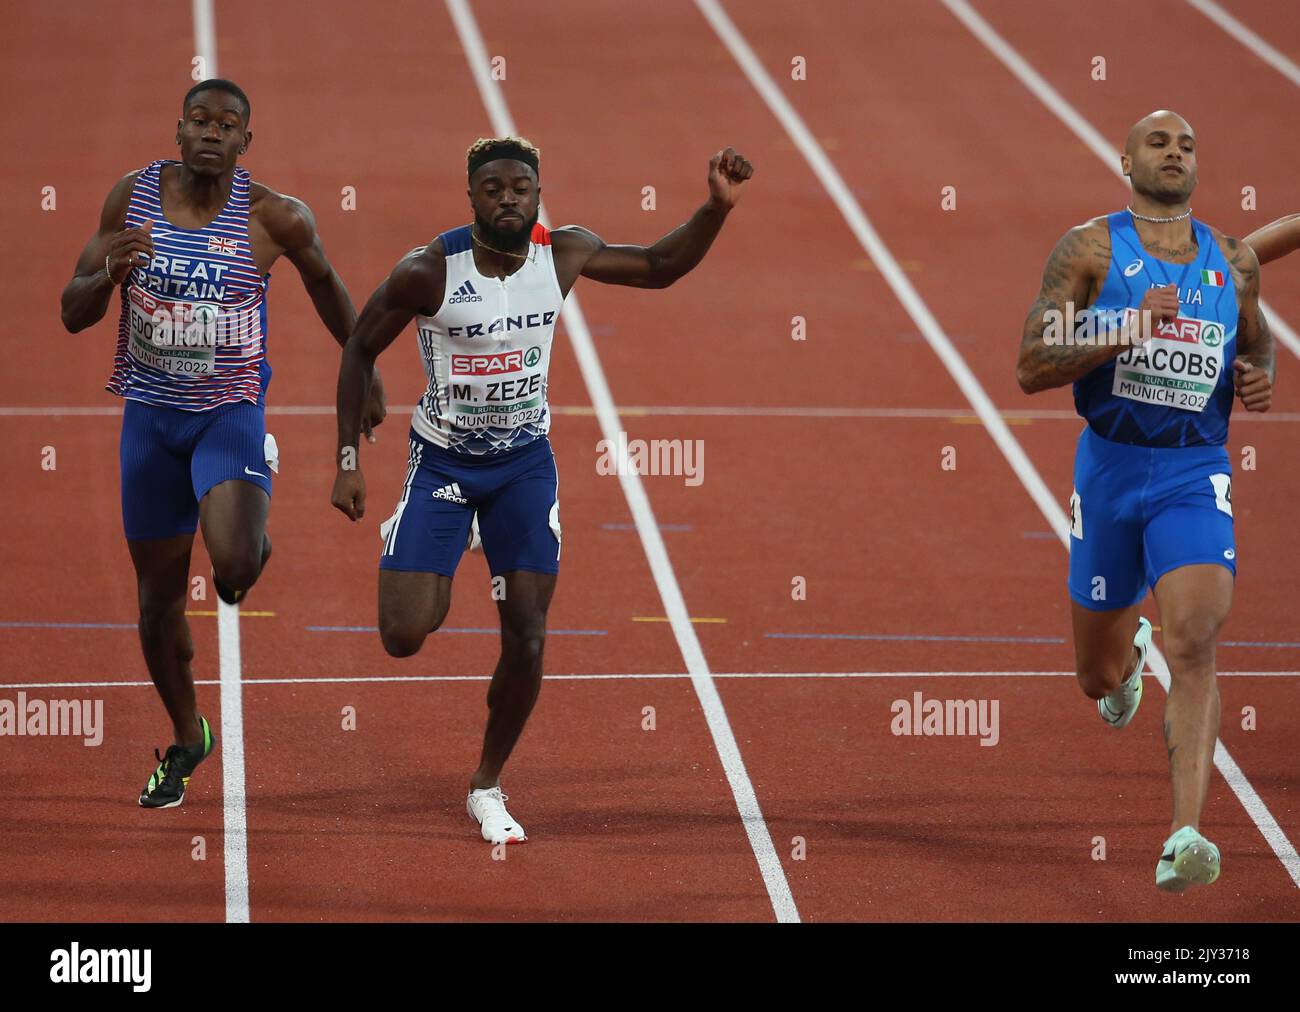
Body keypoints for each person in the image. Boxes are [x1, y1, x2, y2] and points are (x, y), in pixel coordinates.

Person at [331, 136, 753, 843]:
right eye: (493, 188)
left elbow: (659, 266)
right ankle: (430, 526)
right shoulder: (427, 272)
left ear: (537, 194)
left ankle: (487, 785)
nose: (508, 199)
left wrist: (715, 207)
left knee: (526, 633)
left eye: (520, 188)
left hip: (523, 466)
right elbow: (359, 347)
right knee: (404, 635)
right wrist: (348, 457)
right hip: (443, 464)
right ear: (471, 197)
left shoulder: (564, 253)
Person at [60, 79, 385, 808]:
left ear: (246, 142)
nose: (212, 132)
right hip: (149, 421)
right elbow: (71, 311)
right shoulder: (131, 200)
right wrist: (110, 273)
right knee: (158, 606)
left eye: (227, 124)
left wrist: (361, 371)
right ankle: (186, 737)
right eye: (199, 121)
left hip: (226, 413)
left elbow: (330, 287)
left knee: (235, 565)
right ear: (178, 132)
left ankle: (249, 526)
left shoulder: (276, 218)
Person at [1015, 110, 1274, 890]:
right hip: (1111, 473)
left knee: (1194, 638)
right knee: (1093, 676)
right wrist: (1125, 327)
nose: (1174, 153)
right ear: (1125, 162)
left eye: (1187, 144)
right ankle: (1124, 668)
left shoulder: (1232, 260)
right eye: (1157, 143)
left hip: (1195, 472)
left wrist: (1257, 375)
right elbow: (1032, 363)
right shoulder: (1090, 249)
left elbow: (1253, 338)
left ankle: (1186, 835)